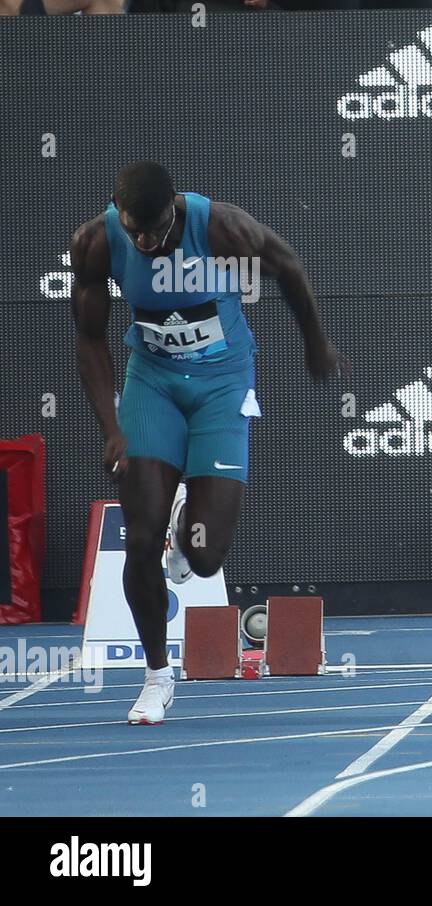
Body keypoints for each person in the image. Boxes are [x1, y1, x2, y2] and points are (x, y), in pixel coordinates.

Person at [71, 161, 344, 723]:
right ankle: (155, 675)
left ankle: (184, 525)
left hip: (222, 385)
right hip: (153, 384)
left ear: (176, 205)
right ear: (118, 215)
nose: (147, 242)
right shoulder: (96, 243)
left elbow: (288, 267)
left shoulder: (221, 229)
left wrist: (315, 343)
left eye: (158, 229)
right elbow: (90, 338)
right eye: (135, 230)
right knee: (140, 540)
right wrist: (112, 428)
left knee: (204, 553)